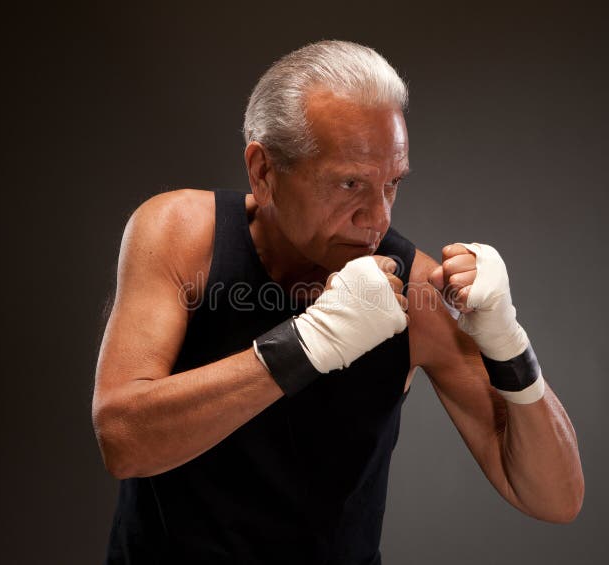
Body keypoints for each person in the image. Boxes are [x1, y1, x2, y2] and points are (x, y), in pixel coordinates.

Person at [92, 40, 584, 564]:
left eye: (391, 184)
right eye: (350, 183)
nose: (377, 219)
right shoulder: (183, 234)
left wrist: (509, 345)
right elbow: (123, 440)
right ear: (263, 170)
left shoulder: (416, 293)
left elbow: (554, 498)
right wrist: (310, 342)